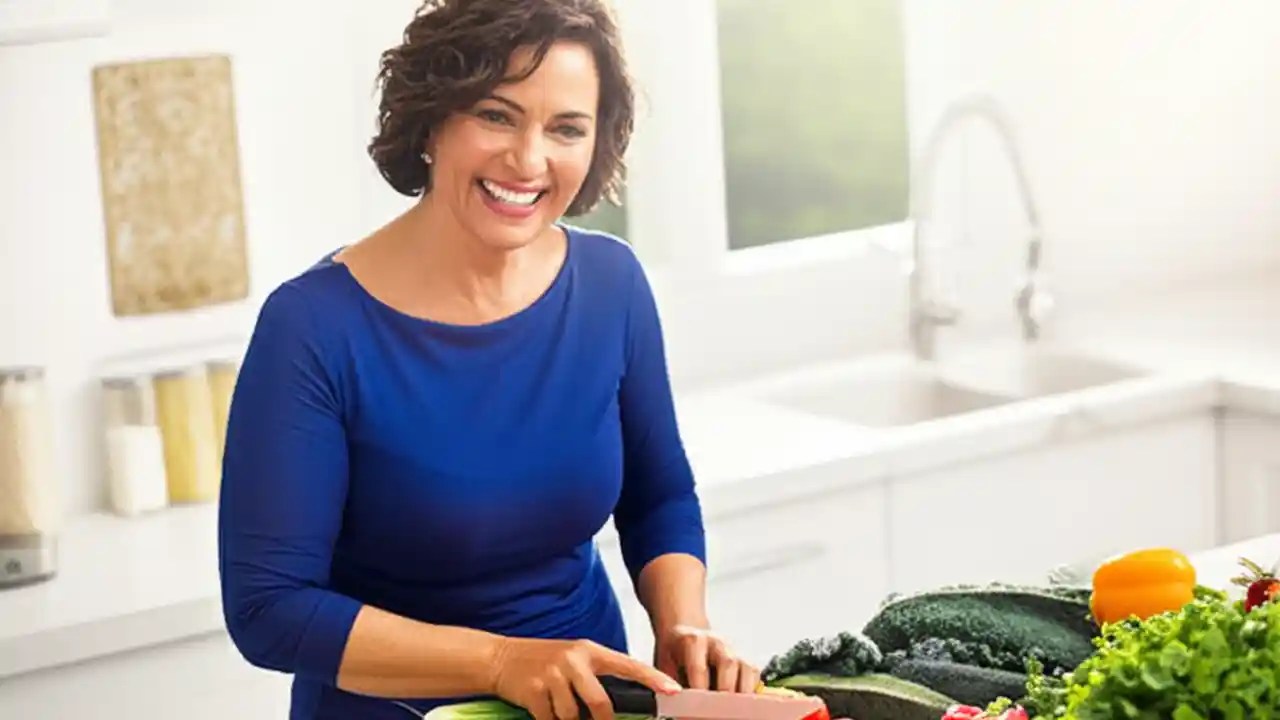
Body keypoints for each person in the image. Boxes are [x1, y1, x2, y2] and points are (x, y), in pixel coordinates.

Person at [216, 1, 759, 718]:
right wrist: (499, 661)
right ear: (432, 119)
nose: (529, 160)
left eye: (566, 128)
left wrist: (682, 622)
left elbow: (658, 498)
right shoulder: (313, 328)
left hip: (595, 705)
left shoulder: (610, 285)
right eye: (496, 116)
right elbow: (270, 609)